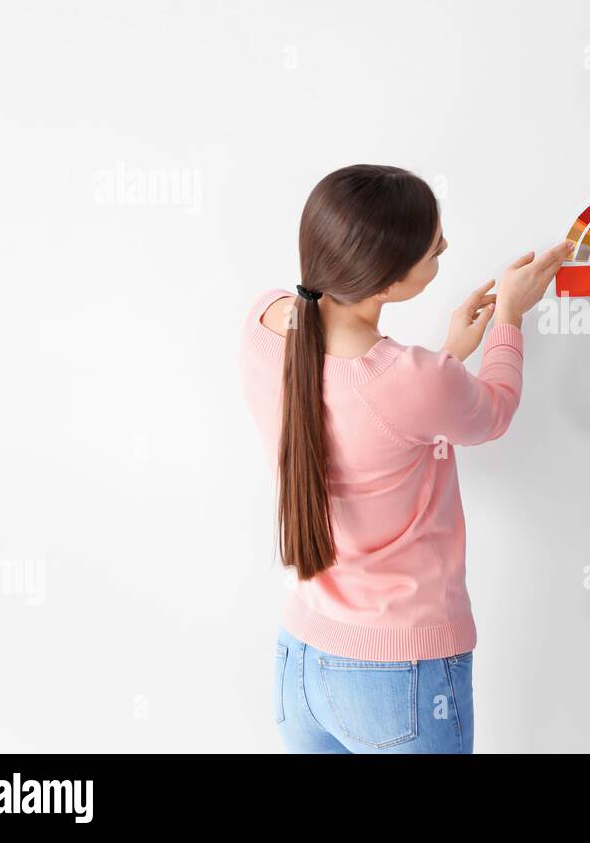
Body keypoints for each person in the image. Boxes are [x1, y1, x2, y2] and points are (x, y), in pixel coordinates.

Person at [240, 164, 566, 753]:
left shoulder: (263, 323)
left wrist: (447, 357)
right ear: (389, 282)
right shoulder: (412, 381)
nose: (444, 252)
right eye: (435, 251)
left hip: (301, 662)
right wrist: (511, 318)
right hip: (401, 675)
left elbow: (371, 414)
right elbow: (493, 412)